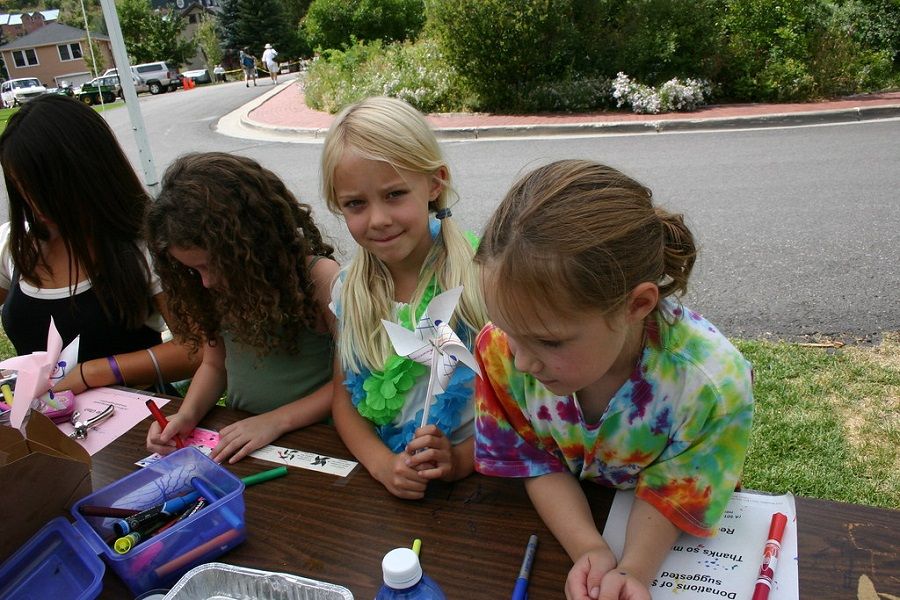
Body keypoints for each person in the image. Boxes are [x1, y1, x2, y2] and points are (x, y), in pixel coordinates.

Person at [473, 160, 754, 600]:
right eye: (509, 329)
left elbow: (674, 488)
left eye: (549, 341)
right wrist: (587, 546)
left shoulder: (712, 385)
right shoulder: (499, 351)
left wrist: (635, 570)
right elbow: (534, 459)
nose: (522, 361)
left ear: (637, 305)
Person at [322, 96, 488, 499]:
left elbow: (524, 404)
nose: (378, 219)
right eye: (355, 204)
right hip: (393, 479)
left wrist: (461, 459)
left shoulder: (483, 278)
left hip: (483, 479)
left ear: (435, 183)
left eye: (394, 194)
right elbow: (344, 398)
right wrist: (382, 465)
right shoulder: (351, 289)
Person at [144, 152, 339, 464]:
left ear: (251, 245)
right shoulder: (215, 289)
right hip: (244, 439)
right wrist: (187, 414)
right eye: (194, 271)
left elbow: (352, 383)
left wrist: (276, 421)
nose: (205, 282)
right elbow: (214, 365)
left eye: (211, 266)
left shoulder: (321, 280)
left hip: (314, 445)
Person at [0, 95, 199, 393]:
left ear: (88, 173)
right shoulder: (18, 244)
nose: (34, 202)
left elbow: (198, 350)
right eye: (21, 188)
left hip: (133, 427)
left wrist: (95, 372)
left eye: (44, 187)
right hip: (44, 429)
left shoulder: (145, 247)